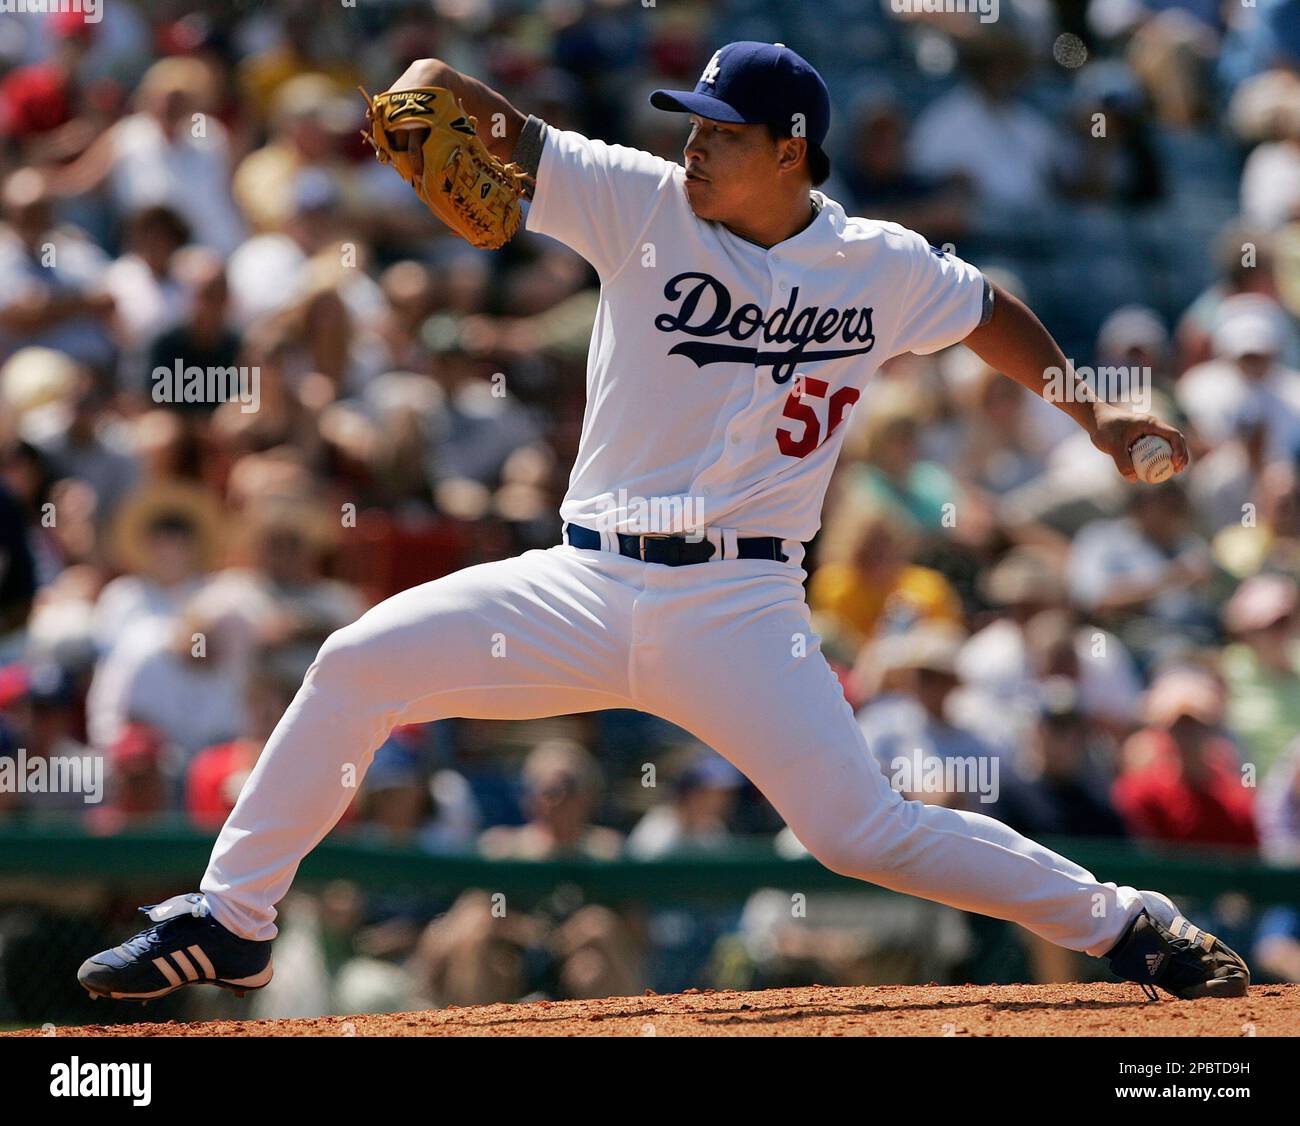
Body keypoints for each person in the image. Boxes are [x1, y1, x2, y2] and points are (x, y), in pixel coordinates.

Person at [77, 41, 1246, 1005]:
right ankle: (233, 918)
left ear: (790, 149)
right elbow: (490, 119)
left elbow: (989, 310)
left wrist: (1090, 412)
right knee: (355, 663)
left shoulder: (876, 264)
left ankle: (1124, 924)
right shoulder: (636, 200)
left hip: (741, 609)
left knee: (860, 832)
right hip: (581, 586)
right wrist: (432, 87)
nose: (693, 144)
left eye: (720, 130)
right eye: (689, 122)